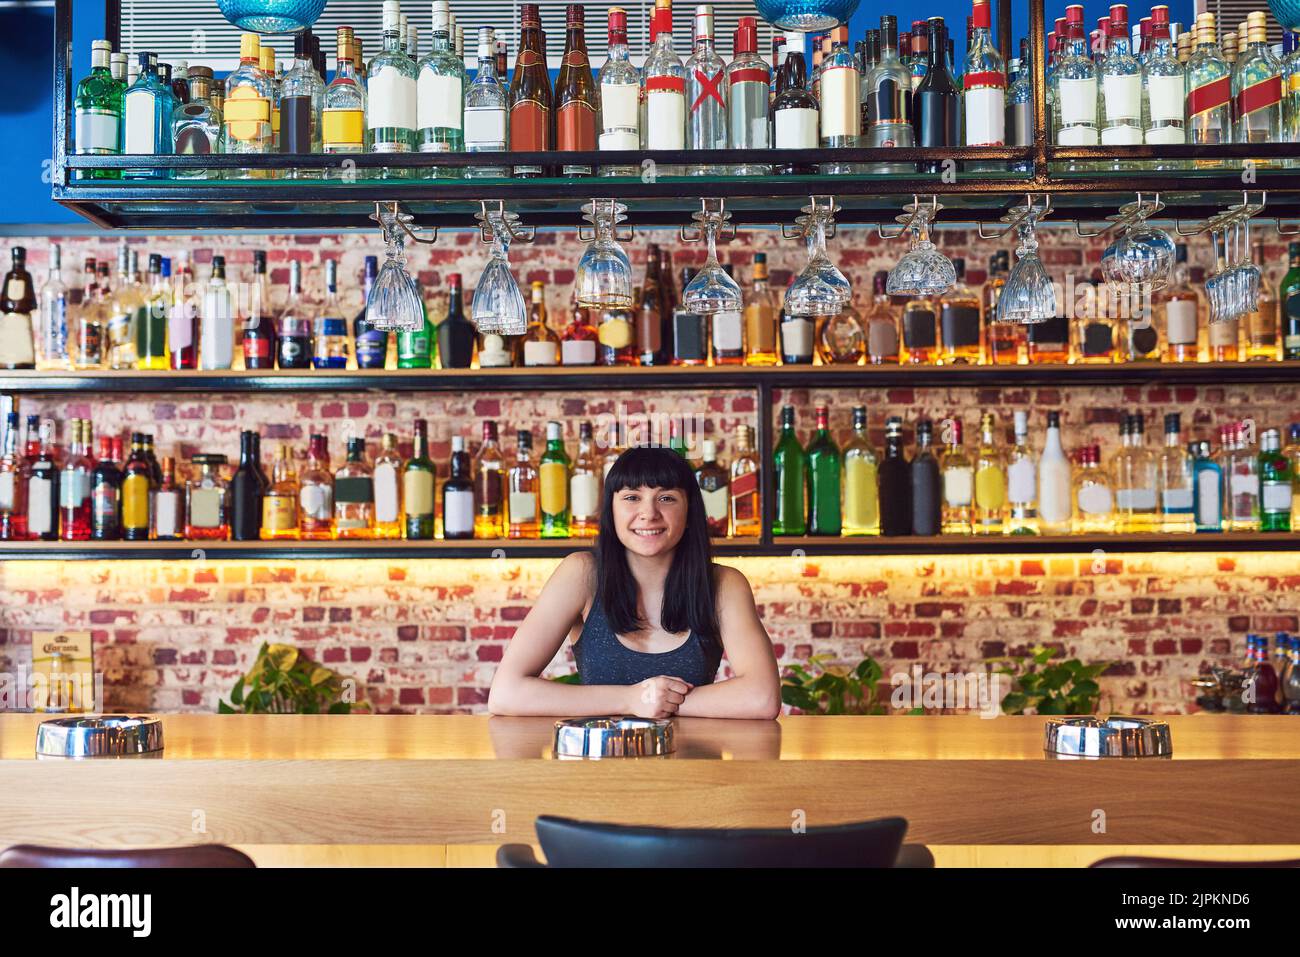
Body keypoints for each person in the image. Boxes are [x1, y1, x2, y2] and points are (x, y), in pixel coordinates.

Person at [488, 444, 780, 719]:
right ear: (611, 510)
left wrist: (654, 701)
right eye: (631, 497)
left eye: (666, 498)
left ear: (690, 510)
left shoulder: (724, 584)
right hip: (603, 764)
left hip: (691, 768)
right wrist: (631, 699)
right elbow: (505, 693)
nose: (649, 514)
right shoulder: (582, 574)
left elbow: (761, 698)